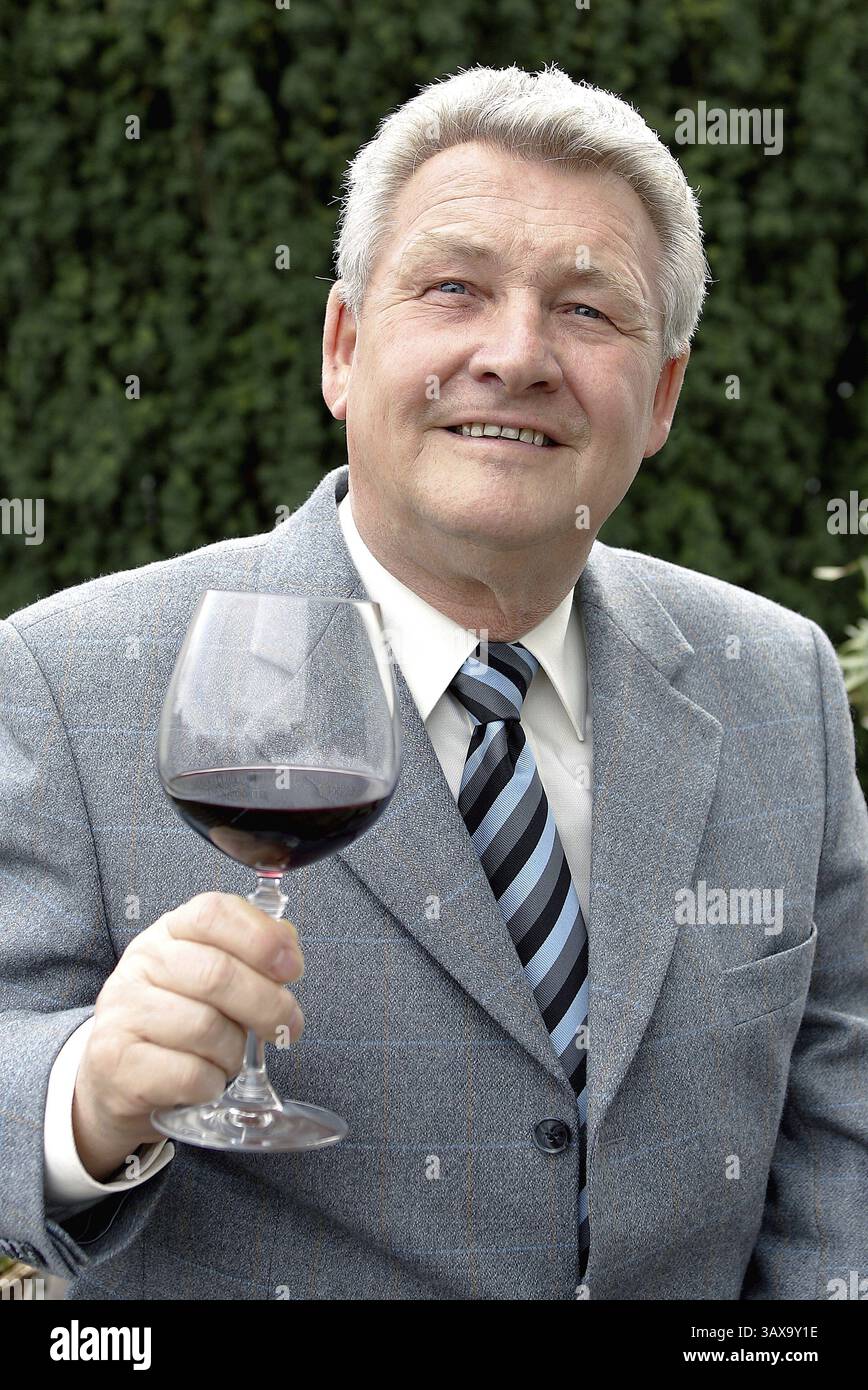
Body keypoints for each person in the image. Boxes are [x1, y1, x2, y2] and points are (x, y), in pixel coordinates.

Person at [1, 63, 865, 1301]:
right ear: (344, 348)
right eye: (455, 288)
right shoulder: (64, 676)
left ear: (664, 393)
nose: (515, 356)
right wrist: (84, 1092)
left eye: (587, 311)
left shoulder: (775, 680)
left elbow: (843, 1144)